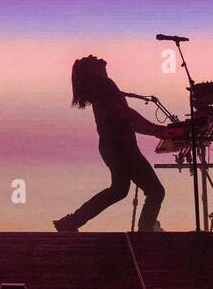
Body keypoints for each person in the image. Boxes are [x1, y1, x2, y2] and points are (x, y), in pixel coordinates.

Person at [54, 55, 168, 233]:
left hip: (111, 148)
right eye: (91, 59)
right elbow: (127, 115)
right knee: (155, 191)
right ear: (91, 70)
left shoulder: (100, 88)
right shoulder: (105, 85)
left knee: (119, 190)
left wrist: (155, 130)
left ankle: (71, 222)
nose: (96, 57)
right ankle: (145, 233)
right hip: (122, 148)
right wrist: (157, 130)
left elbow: (127, 117)